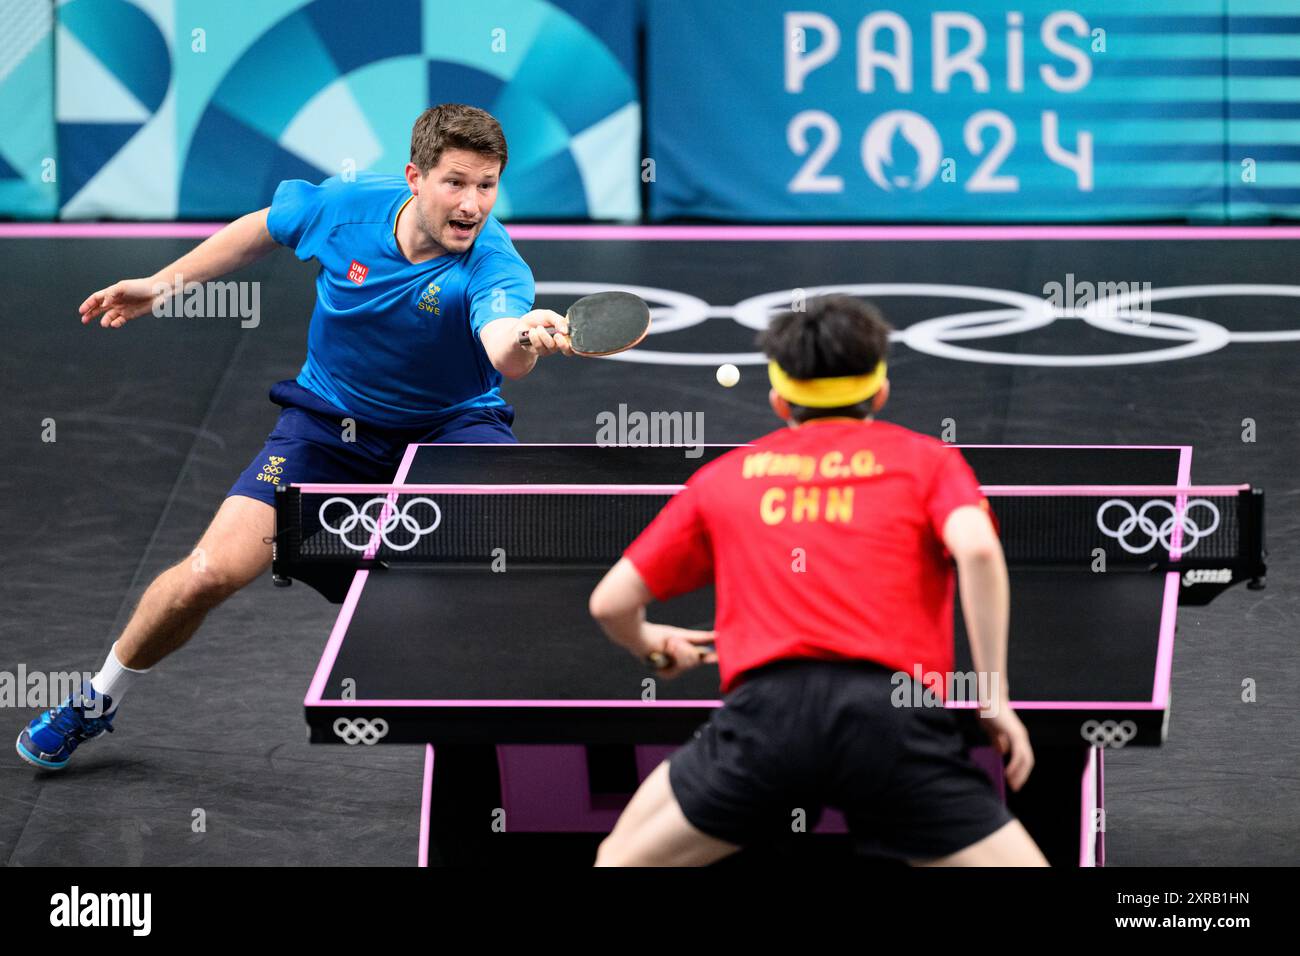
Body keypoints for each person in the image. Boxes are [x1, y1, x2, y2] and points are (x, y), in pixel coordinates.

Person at [18, 104, 572, 770]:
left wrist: (526, 336)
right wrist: (161, 285)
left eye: (487, 185)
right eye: (456, 182)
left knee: (517, 550)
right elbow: (262, 230)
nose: (472, 203)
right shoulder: (347, 207)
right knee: (206, 575)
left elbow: (503, 350)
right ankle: (96, 700)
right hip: (327, 427)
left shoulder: (495, 265)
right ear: (414, 178)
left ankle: (528, 732)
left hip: (450, 427)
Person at [588, 295, 1048, 866]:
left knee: (618, 860)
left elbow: (610, 604)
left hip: (768, 722)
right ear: (880, 392)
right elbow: (977, 549)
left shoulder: (723, 478)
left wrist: (655, 648)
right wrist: (991, 695)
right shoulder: (926, 461)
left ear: (780, 400)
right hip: (892, 724)